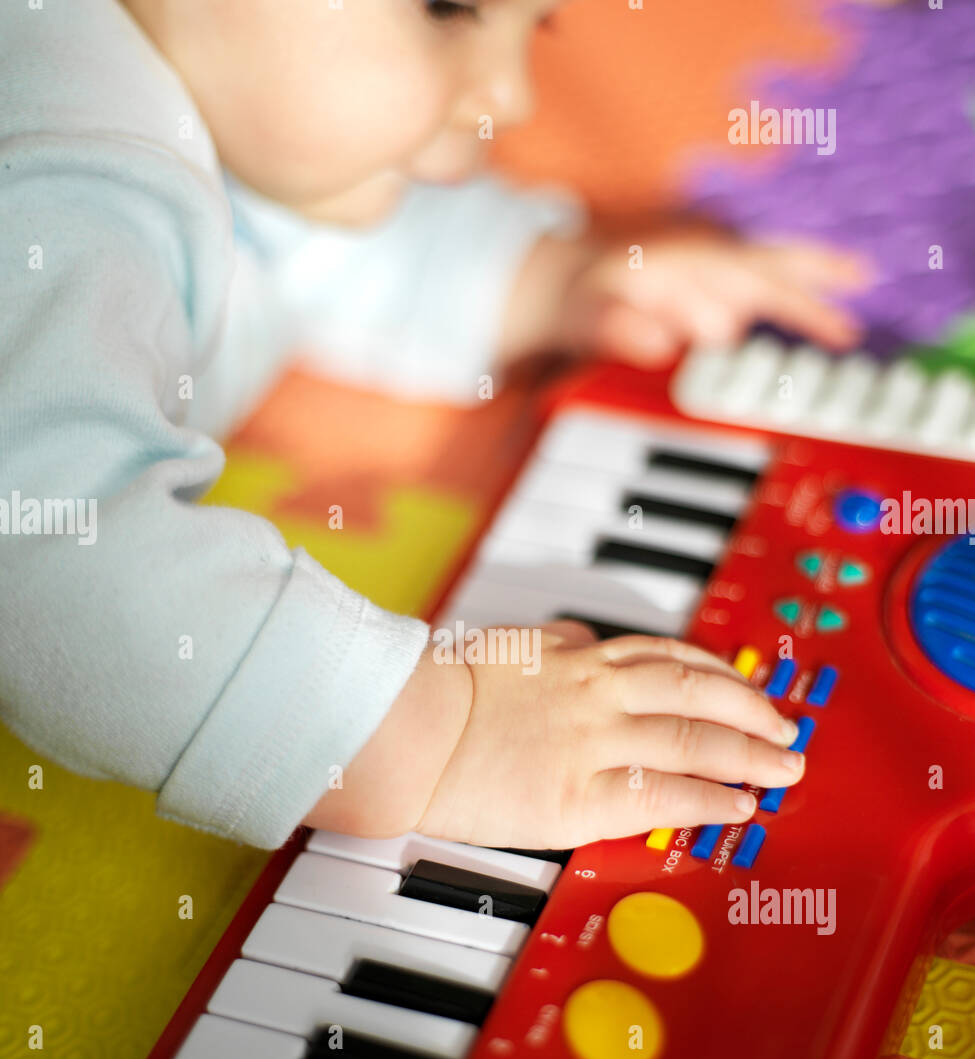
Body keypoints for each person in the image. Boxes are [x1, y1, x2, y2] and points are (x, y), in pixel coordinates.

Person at [0, 0, 867, 850]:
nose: (510, 98)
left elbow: (305, 230)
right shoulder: (59, 166)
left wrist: (555, 281)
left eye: (539, 23)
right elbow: (47, 554)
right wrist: (429, 734)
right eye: (448, 9)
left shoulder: (205, 87)